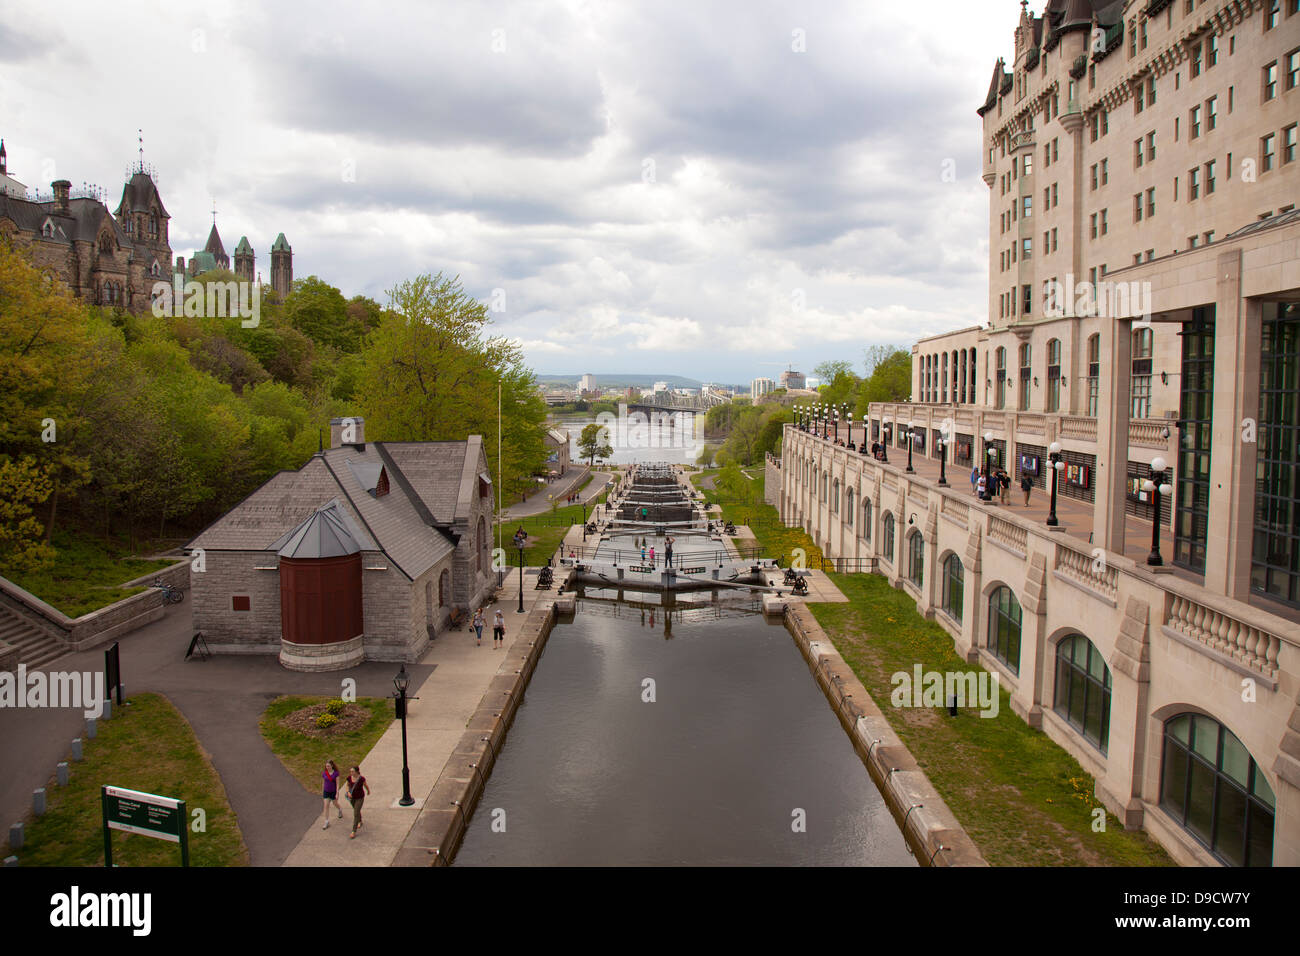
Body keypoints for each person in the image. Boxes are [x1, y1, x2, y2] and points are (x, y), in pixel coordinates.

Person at [346, 766, 369, 839]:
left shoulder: (361, 779)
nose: (351, 773)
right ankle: (360, 821)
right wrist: (348, 792)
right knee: (356, 810)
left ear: (356, 771)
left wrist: (368, 791)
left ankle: (353, 831)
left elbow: (365, 785)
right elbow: (347, 785)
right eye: (350, 771)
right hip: (352, 798)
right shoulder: (349, 778)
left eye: (352, 771)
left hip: (360, 798)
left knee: (356, 813)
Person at [322, 760, 342, 829]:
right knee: (326, 806)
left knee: (335, 803)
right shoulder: (324, 773)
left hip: (333, 792)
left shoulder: (336, 773)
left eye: (328, 766)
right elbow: (324, 782)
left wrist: (337, 793)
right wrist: (323, 790)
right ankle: (326, 821)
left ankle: (340, 809)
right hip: (326, 792)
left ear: (332, 766)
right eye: (326, 766)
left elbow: (337, 784)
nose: (327, 767)